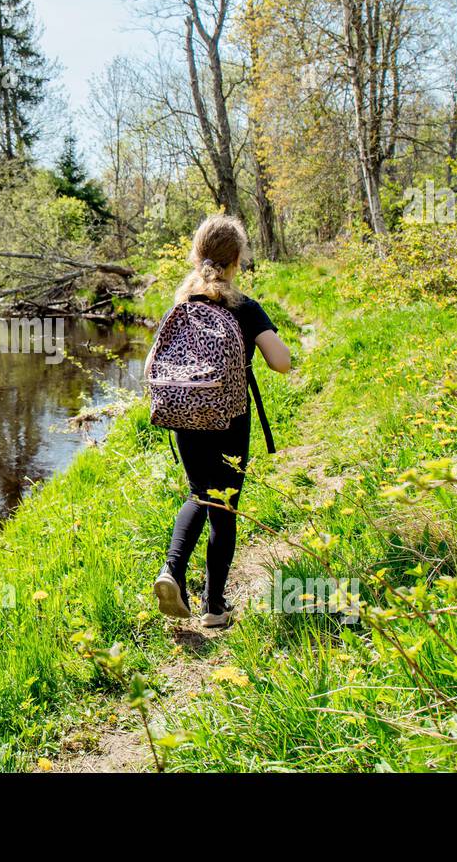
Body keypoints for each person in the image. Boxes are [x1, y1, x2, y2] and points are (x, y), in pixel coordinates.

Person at [152, 214, 291, 627]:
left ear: (197, 257)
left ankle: (172, 571)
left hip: (183, 417)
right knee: (223, 505)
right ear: (237, 261)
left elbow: (151, 366)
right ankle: (214, 608)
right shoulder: (244, 308)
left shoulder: (181, 307)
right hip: (229, 419)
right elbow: (281, 362)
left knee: (199, 494)